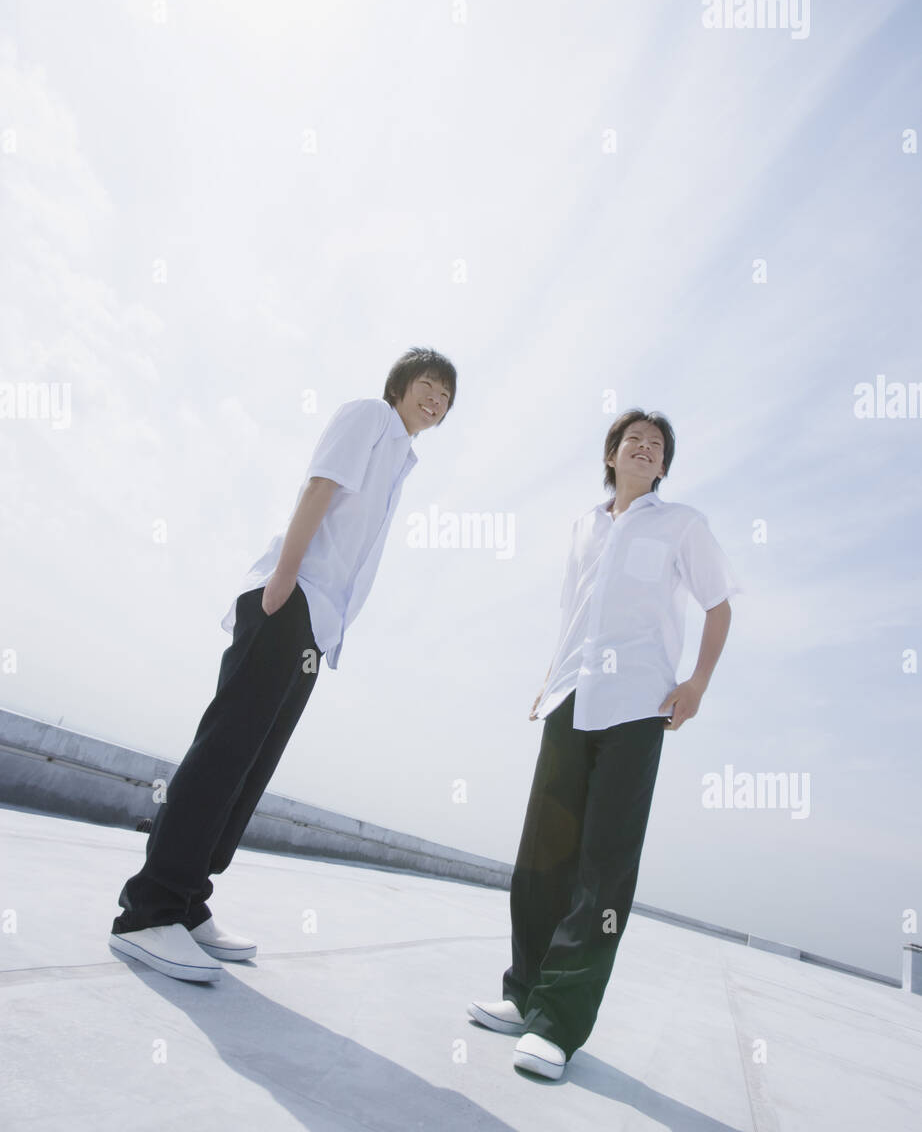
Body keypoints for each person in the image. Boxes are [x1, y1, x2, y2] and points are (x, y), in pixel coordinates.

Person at [109, 348, 457, 981]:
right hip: (289, 598)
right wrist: (284, 579)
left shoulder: (402, 454)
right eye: (428, 388)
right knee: (224, 751)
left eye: (445, 400)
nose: (433, 403)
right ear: (403, 385)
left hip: (315, 624)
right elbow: (321, 486)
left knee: (250, 765)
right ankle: (149, 910)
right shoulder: (371, 417)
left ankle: (188, 903)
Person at [468, 409, 741, 1079]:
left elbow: (720, 603)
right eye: (634, 441)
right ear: (611, 455)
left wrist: (696, 685)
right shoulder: (584, 526)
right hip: (569, 698)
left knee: (604, 868)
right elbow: (573, 610)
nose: (645, 449)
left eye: (657, 446)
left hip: (638, 705)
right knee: (542, 856)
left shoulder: (684, 525)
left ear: (664, 467)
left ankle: (559, 1024)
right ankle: (523, 993)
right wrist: (547, 681)